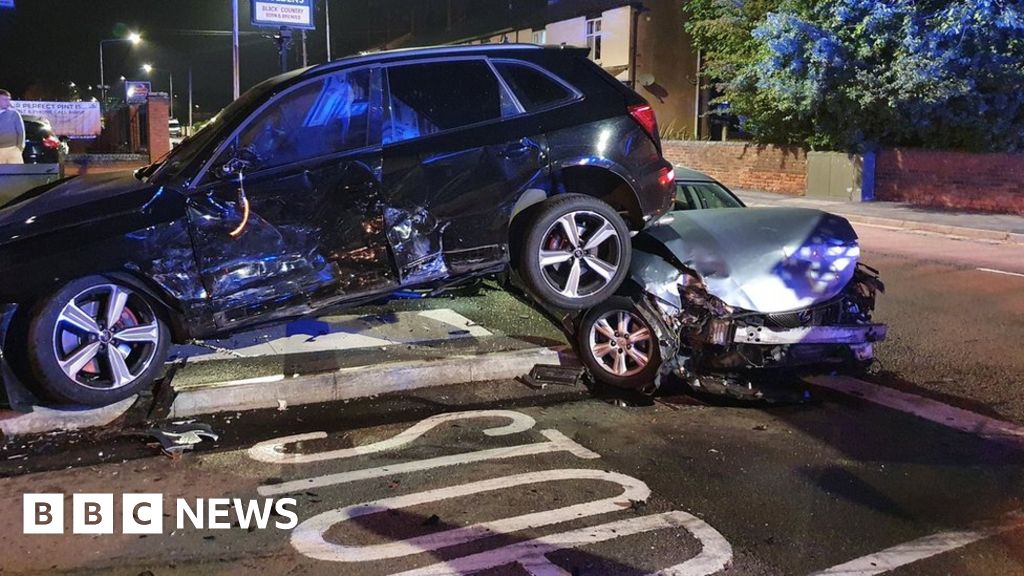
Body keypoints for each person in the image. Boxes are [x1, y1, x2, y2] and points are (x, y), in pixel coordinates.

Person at [0, 89, 25, 164]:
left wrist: (19, 148)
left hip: (13, 150)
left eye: (9, 100)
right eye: (4, 100)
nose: (8, 102)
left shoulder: (14, 114)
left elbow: (21, 132)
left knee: (17, 174)